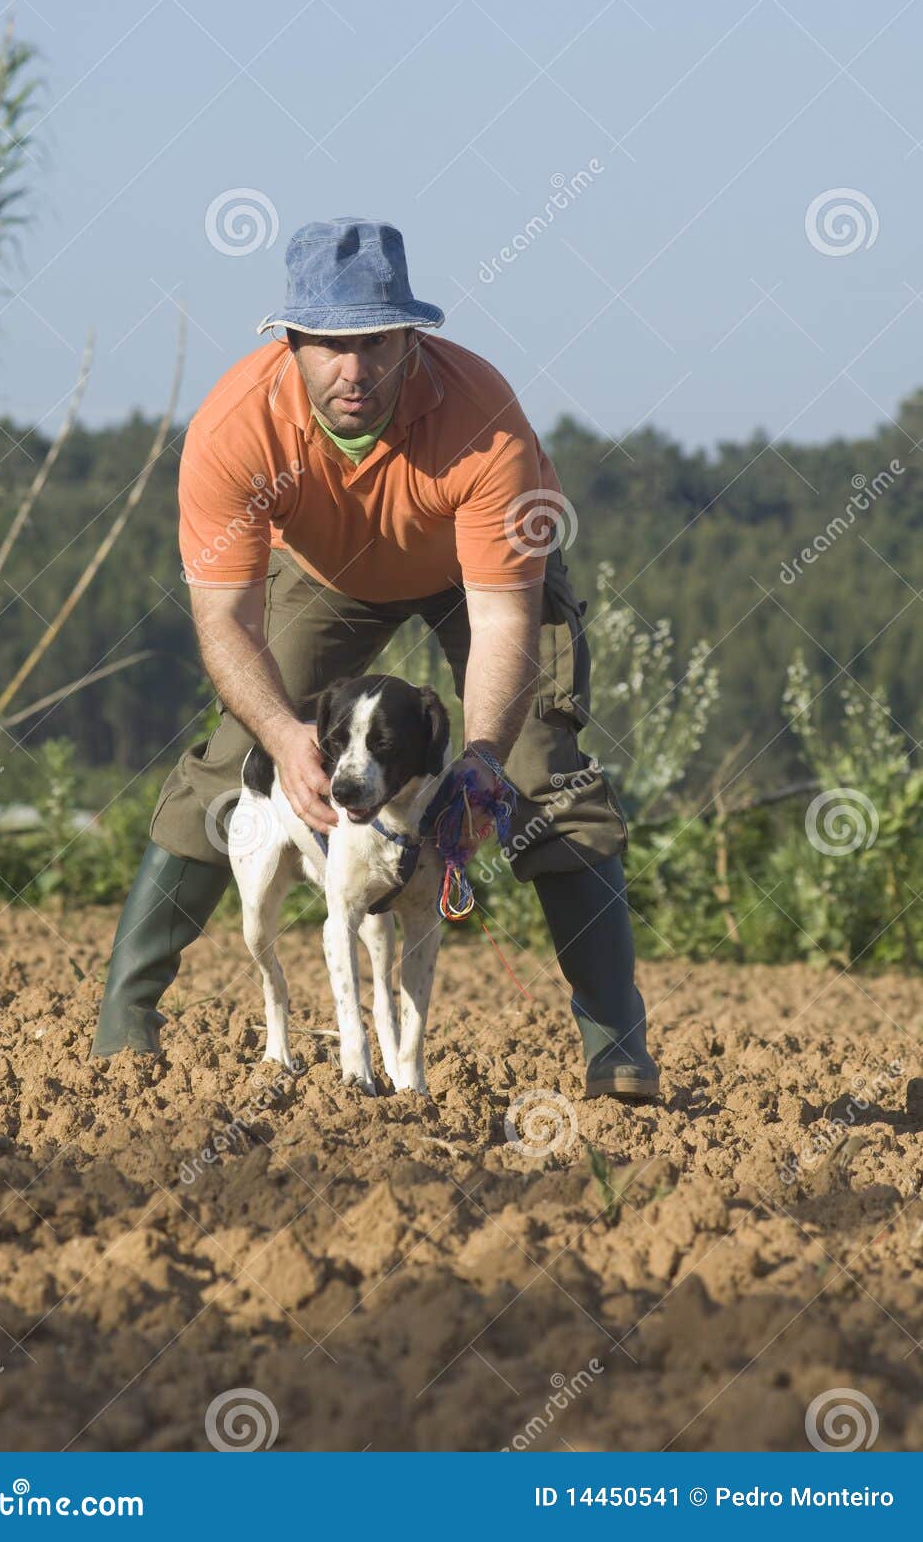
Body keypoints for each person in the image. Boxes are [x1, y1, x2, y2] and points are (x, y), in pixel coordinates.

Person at [91, 217, 658, 1100]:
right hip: (324, 573)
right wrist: (282, 737)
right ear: (290, 342)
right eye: (327, 344)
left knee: (549, 777)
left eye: (377, 343)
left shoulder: (483, 420)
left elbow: (506, 624)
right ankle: (125, 1021)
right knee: (227, 768)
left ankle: (616, 1049)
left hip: (477, 581)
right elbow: (225, 620)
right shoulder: (233, 428)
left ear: (410, 338)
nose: (353, 371)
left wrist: (478, 764)